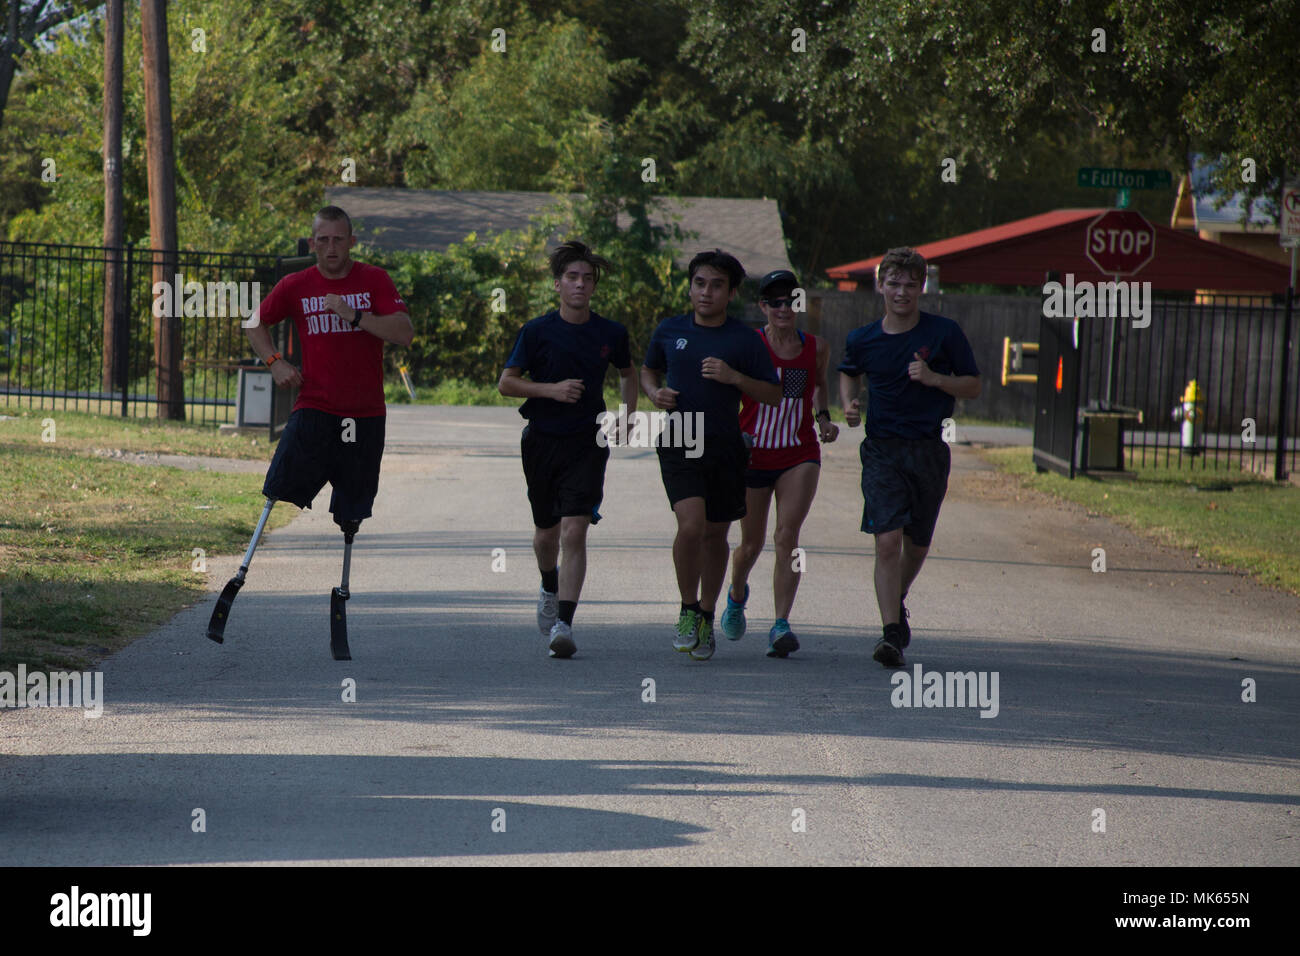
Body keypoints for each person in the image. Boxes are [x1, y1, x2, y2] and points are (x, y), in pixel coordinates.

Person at [235, 205, 413, 660]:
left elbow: (403, 332)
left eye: (339, 240)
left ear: (352, 242)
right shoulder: (296, 285)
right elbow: (253, 322)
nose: (331, 248)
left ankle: (342, 592)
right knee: (277, 486)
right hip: (314, 408)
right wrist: (274, 362)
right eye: (323, 240)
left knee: (352, 511)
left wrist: (355, 316)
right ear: (312, 242)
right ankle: (239, 575)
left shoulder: (374, 280)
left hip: (364, 415)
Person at [837, 247, 980, 668]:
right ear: (880, 285)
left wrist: (935, 378)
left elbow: (973, 386)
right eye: (893, 283)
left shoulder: (944, 333)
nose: (901, 292)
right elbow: (848, 370)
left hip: (928, 450)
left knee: (916, 545)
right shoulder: (863, 338)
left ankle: (895, 599)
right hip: (882, 449)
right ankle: (890, 635)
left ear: (923, 288)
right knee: (887, 541)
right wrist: (848, 404)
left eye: (910, 285)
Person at [641, 249, 781, 662]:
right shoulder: (669, 330)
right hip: (680, 437)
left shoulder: (744, 339)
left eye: (716, 285)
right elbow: (649, 369)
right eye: (699, 283)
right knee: (690, 526)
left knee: (716, 535)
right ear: (690, 286)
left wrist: (734, 376)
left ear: (731, 292)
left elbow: (774, 394)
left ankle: (707, 612)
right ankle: (687, 609)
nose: (706, 292)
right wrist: (654, 393)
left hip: (725, 443)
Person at [498, 240, 636, 659]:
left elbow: (629, 374)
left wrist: (627, 414)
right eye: (572, 278)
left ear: (594, 287)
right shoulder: (537, 331)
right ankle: (547, 584)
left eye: (587, 279)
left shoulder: (611, 332)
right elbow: (507, 383)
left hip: (589, 442)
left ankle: (565, 624)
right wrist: (551, 390)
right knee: (546, 533)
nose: (580, 285)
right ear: (558, 285)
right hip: (541, 440)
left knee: (575, 530)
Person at [720, 270, 838, 657]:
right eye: (775, 302)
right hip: (753, 453)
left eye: (792, 301)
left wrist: (823, 419)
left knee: (788, 536)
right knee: (750, 544)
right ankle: (737, 595)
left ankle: (780, 623)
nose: (784, 308)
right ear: (763, 307)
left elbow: (817, 384)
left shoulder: (816, 346)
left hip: (799, 452)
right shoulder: (747, 345)